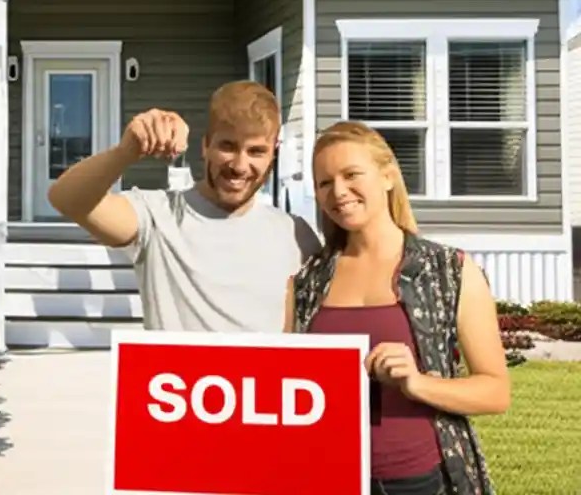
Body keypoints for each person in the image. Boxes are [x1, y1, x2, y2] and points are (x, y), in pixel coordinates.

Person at [285, 121, 508, 495]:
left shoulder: (448, 271)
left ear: (388, 176)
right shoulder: (307, 280)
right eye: (325, 182)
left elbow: (495, 392)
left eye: (351, 174)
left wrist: (417, 383)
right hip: (325, 477)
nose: (339, 191)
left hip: (417, 480)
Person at [47, 80, 323, 333]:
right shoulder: (157, 215)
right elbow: (67, 199)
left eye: (256, 151)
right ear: (205, 146)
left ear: (273, 153)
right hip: (175, 386)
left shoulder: (296, 236)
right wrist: (126, 151)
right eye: (227, 146)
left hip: (266, 385)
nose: (239, 166)